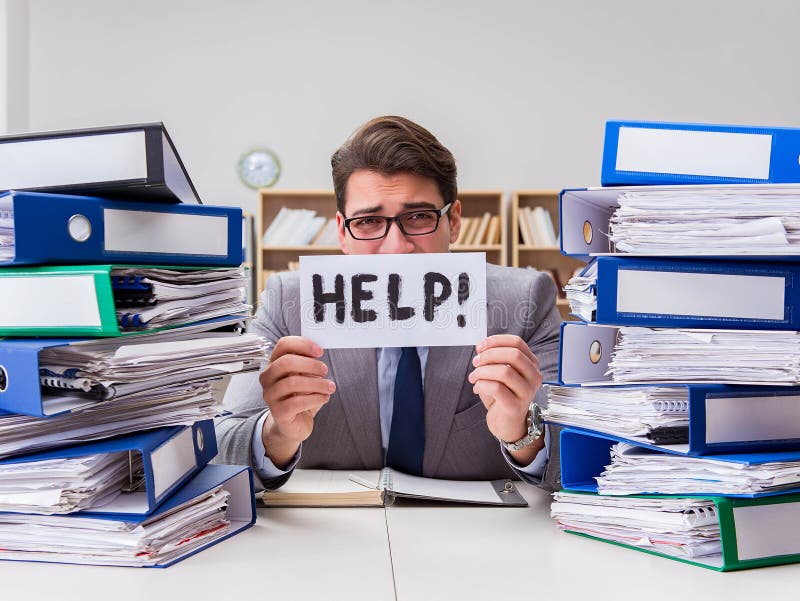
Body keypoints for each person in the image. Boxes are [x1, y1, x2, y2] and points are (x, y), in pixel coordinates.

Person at [216, 116, 562, 491]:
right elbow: (218, 449)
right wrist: (277, 433)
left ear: (455, 221)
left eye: (418, 217)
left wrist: (523, 431)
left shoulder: (526, 300)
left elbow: (584, 459)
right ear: (342, 232)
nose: (397, 246)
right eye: (368, 221)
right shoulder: (288, 302)